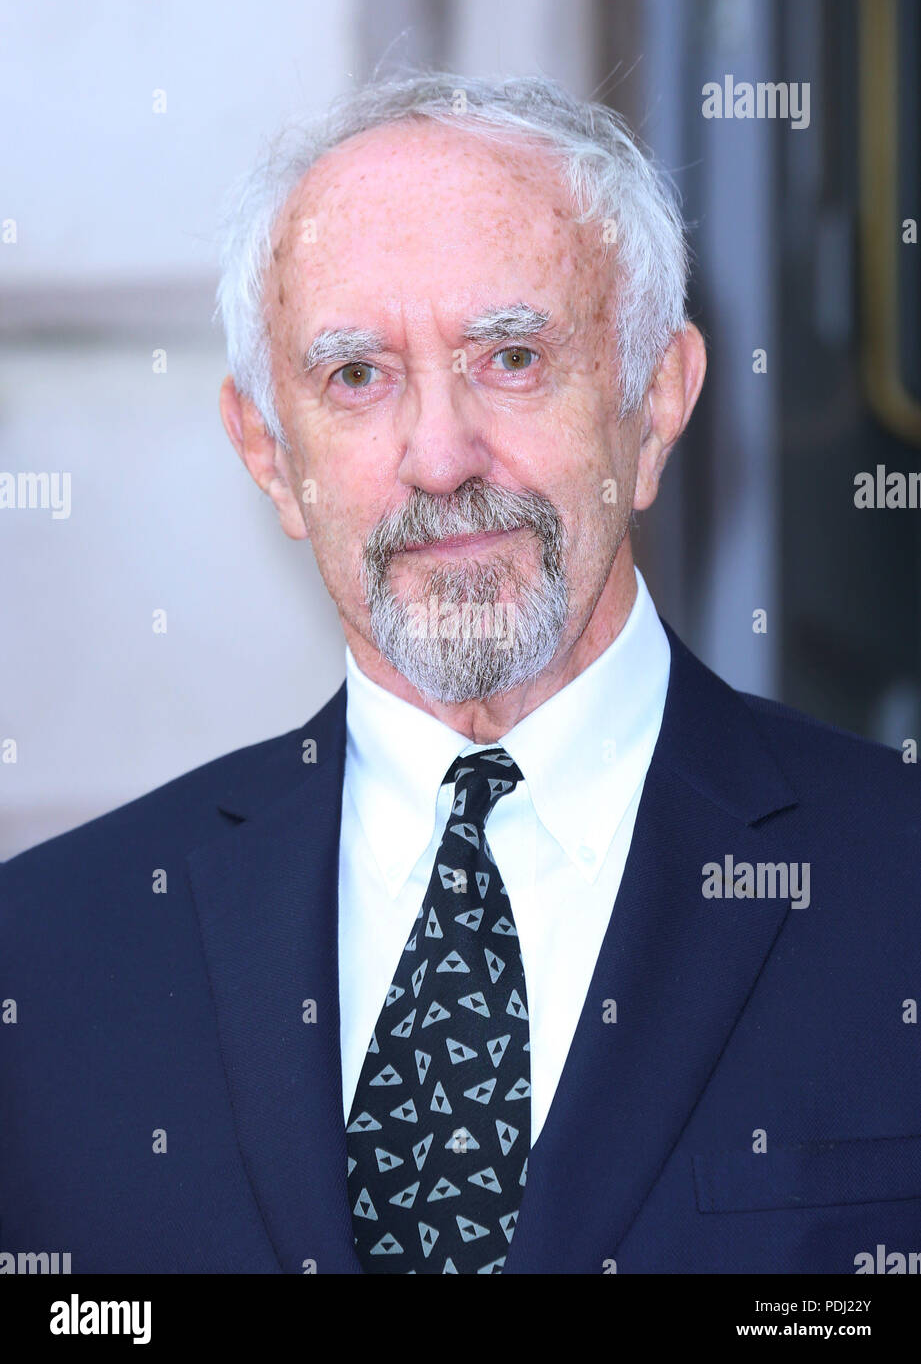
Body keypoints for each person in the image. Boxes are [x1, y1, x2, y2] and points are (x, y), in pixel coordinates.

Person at [3, 72, 919, 1276]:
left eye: (514, 355)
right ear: (270, 455)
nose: (440, 457)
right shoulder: (48, 963)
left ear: (653, 404)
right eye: (357, 377)